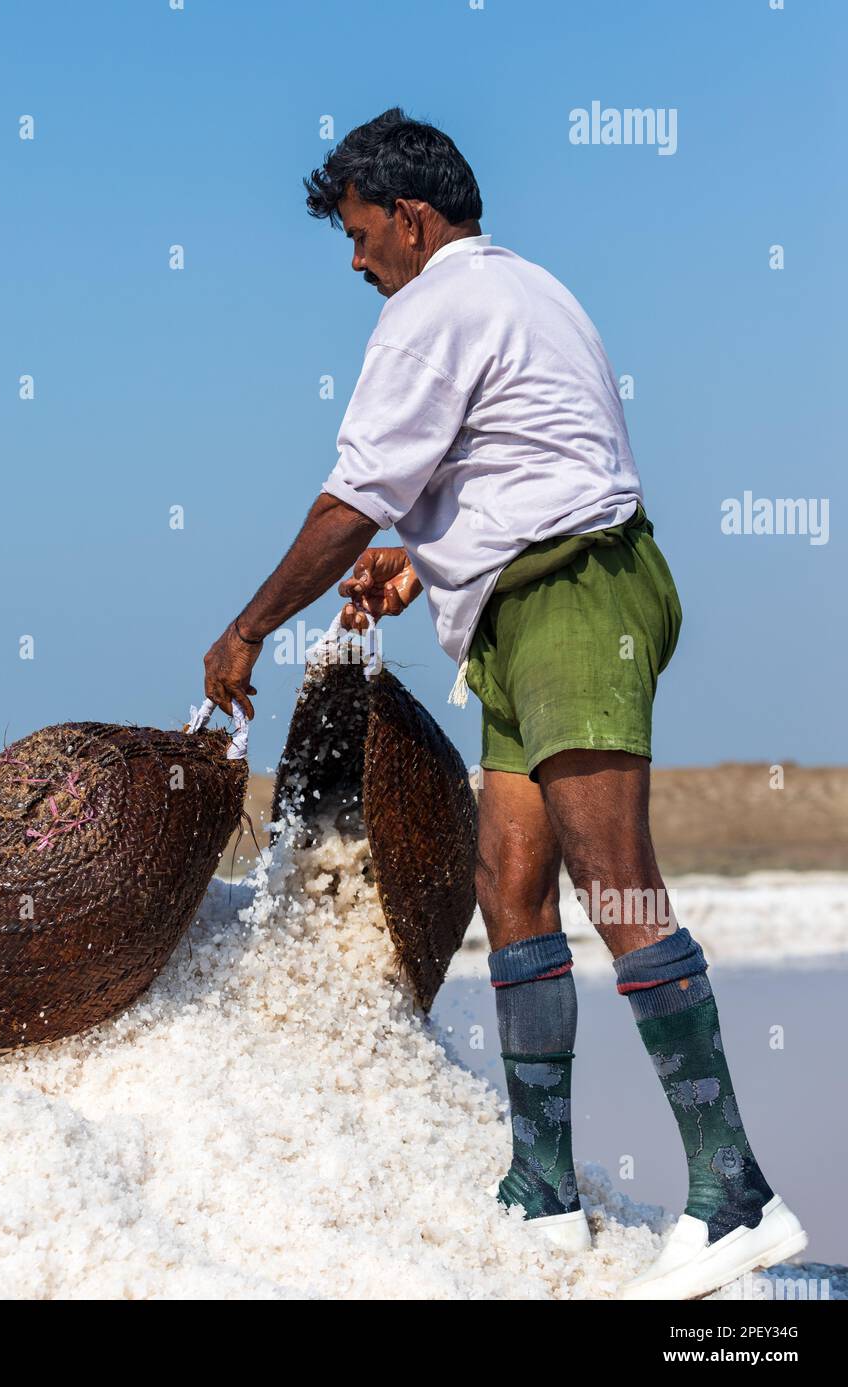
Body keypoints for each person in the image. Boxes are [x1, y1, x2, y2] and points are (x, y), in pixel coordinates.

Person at [200, 109, 807, 1299]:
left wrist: (249, 624)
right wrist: (427, 561)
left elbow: (351, 498)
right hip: (533, 598)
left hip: (579, 600)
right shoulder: (526, 291)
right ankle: (541, 1188)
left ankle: (733, 1192)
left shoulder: (429, 307)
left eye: (362, 233)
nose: (356, 260)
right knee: (509, 883)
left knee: (610, 872)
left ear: (411, 221)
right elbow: (535, 462)